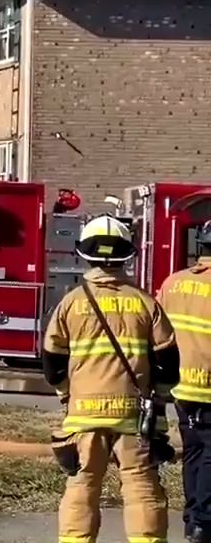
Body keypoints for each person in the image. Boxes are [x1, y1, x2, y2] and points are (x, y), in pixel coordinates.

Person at [42, 213, 179, 543]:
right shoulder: (145, 303)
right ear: (126, 255)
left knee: (82, 483)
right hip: (133, 416)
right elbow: (169, 362)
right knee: (141, 485)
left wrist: (67, 394)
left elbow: (52, 364)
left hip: (83, 415)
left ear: (84, 254)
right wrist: (157, 397)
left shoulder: (70, 304)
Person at [159, 220, 211, 542]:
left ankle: (193, 519)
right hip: (208, 385)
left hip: (181, 386)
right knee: (209, 454)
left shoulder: (173, 283)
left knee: (193, 451)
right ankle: (203, 522)